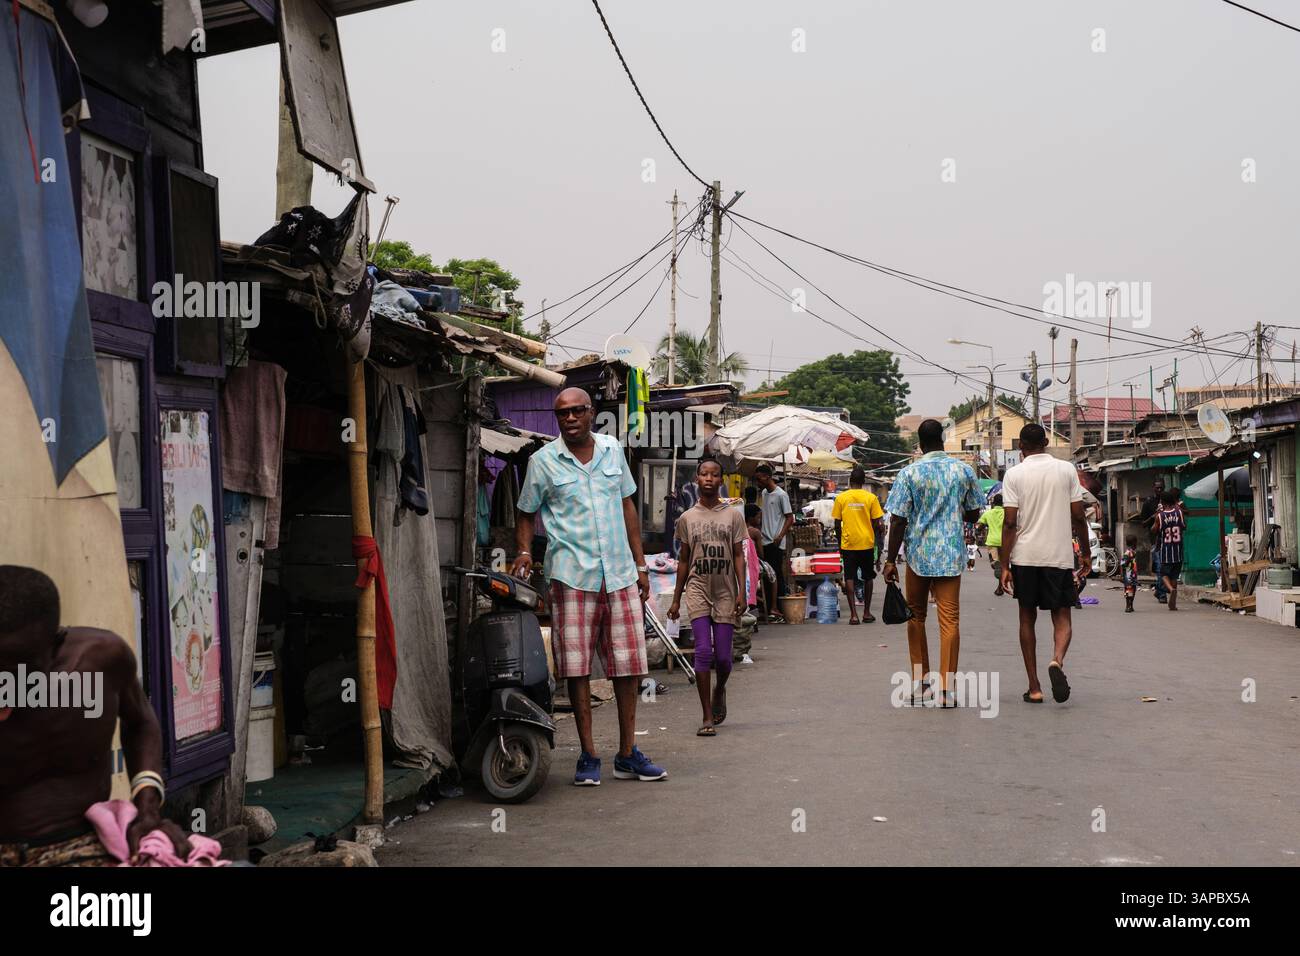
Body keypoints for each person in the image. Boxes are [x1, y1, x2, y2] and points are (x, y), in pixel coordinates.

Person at [512, 387, 666, 786]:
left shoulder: (613, 450)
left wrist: (640, 565)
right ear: (557, 418)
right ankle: (588, 754)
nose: (570, 418)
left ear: (591, 413)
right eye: (562, 413)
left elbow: (628, 505)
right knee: (576, 668)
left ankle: (628, 753)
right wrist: (524, 551)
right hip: (571, 575)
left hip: (619, 574)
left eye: (577, 410)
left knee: (628, 665)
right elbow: (526, 512)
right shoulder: (542, 462)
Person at [1, 566, 192, 866]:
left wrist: (147, 806)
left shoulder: (102, 659)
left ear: (56, 644)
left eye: (16, 668)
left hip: (79, 844)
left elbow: (141, 722)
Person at [882, 420, 982, 707]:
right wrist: (952, 509)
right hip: (950, 554)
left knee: (915, 616)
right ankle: (947, 690)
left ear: (920, 443)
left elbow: (898, 519)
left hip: (918, 556)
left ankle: (921, 681)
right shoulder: (963, 470)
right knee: (949, 620)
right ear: (943, 440)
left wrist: (890, 561)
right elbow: (974, 514)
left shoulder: (909, 473)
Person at [999, 424, 1091, 704]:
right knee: (1062, 616)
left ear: (1020, 447)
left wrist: (1004, 565)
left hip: (1025, 557)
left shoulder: (1013, 475)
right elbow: (1078, 516)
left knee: (1027, 618)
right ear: (1047, 441)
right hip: (1059, 557)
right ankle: (1056, 660)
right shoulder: (1066, 470)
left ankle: (1035, 687)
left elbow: (1010, 522)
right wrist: (1085, 553)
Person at [668, 460, 748, 736]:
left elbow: (739, 555)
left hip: (725, 591)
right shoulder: (688, 518)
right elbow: (683, 560)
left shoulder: (734, 516)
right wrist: (676, 599)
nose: (709, 479)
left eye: (715, 475)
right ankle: (706, 716)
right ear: (697, 479)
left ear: (721, 480)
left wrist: (742, 591)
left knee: (724, 658)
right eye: (704, 474)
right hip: (698, 589)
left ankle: (720, 689)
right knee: (703, 652)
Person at [832, 466, 885, 624]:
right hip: (866, 543)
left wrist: (841, 543)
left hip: (848, 544)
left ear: (850, 481)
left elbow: (836, 524)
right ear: (863, 482)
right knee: (868, 577)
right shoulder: (871, 498)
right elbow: (877, 523)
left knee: (849, 577)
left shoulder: (841, 498)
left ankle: (853, 615)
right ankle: (867, 613)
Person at [755, 464, 794, 604]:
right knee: (768, 575)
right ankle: (772, 606)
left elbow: (790, 517)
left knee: (776, 574)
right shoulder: (765, 493)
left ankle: (779, 606)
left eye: (759, 479)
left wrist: (780, 536)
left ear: (767, 477)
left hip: (775, 541)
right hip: (764, 540)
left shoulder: (781, 495)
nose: (758, 483)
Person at [1151, 488, 1186, 612]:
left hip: (1166, 549)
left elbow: (1154, 530)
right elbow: (1184, 526)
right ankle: (1173, 603)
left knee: (1163, 574)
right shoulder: (1179, 512)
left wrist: (1157, 518)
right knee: (1174, 576)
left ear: (1163, 501)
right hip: (1178, 549)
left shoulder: (1160, 516)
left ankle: (1171, 590)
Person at [1138, 478, 1168, 604]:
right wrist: (1153, 516)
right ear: (1153, 488)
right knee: (1161, 567)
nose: (1159, 490)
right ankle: (1162, 594)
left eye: (1161, 487)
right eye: (1157, 488)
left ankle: (1159, 589)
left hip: (1169, 539)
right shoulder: (1149, 502)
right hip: (1155, 539)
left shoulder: (1168, 501)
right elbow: (1143, 523)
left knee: (1166, 568)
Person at [977, 494, 1007, 595]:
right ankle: (1000, 588)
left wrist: (978, 531)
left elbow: (980, 526)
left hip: (992, 541)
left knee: (995, 564)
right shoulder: (1006, 513)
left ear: (993, 503)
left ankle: (995, 564)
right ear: (1003, 503)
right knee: (1004, 565)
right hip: (1004, 542)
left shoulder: (988, 513)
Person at [1122, 534, 1140, 612]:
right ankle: (1128, 605)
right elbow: (1123, 564)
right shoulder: (1127, 553)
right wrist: (1122, 576)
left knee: (1133, 590)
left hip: (1133, 575)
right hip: (1128, 575)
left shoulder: (1133, 552)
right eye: (1136, 543)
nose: (1136, 545)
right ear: (1133, 543)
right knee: (1128, 591)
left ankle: (1131, 605)